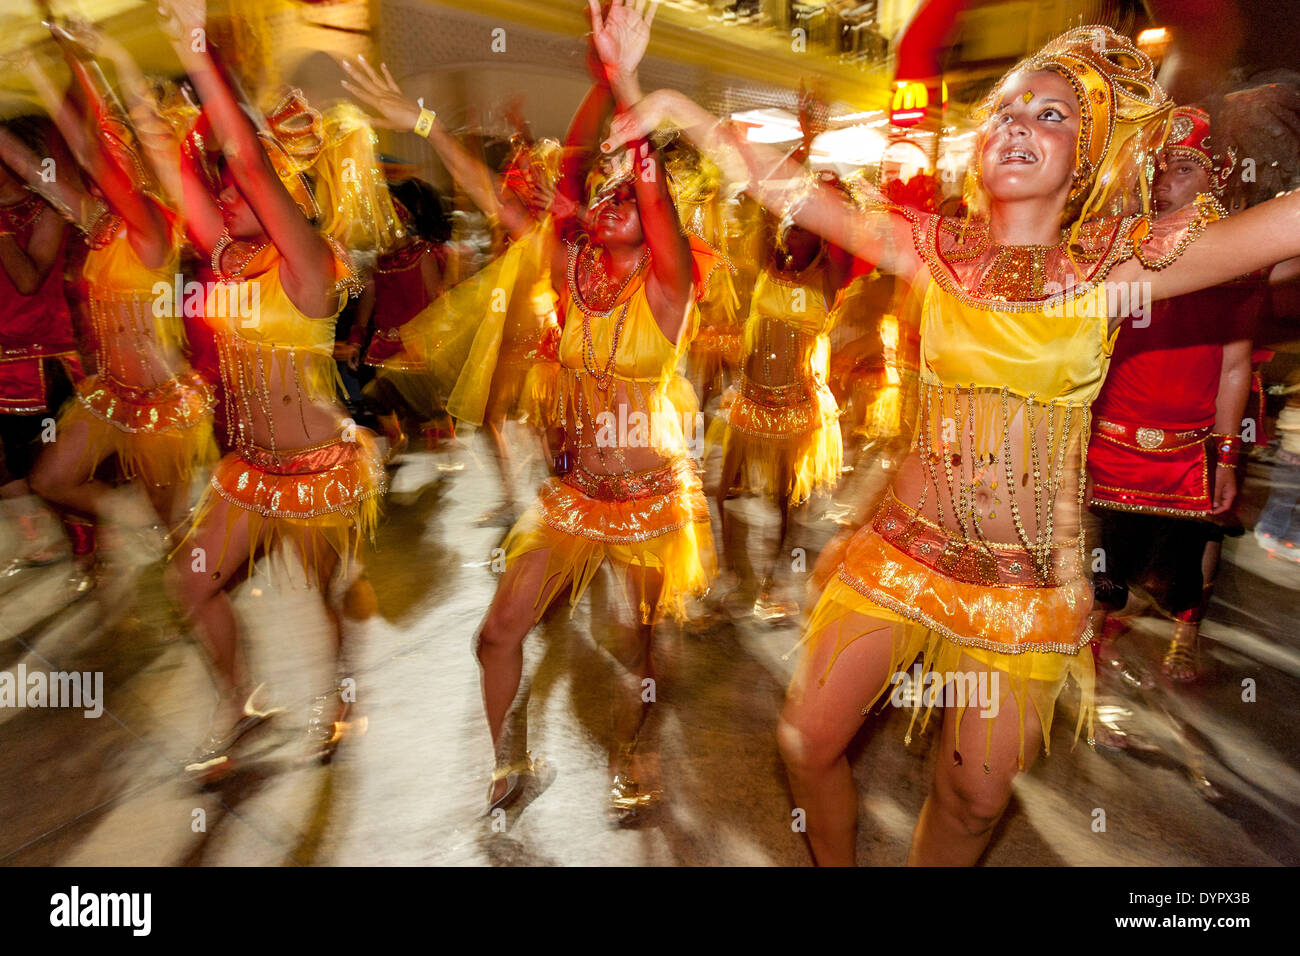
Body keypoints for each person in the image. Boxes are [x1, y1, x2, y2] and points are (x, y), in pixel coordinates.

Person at [603, 11, 1300, 864]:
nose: (1018, 123)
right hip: (898, 554)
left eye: (1052, 116)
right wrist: (661, 94)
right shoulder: (933, 250)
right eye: (1007, 109)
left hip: (1024, 587)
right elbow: (783, 187)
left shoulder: (1122, 265)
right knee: (802, 742)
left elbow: (1283, 226)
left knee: (972, 801)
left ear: (1087, 159)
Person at [341, 3, 723, 818]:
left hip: (651, 499)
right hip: (576, 495)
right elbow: (489, 193)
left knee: (637, 645)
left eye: (630, 198)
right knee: (496, 633)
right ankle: (509, 756)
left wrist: (625, 82)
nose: (613, 200)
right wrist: (427, 122)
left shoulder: (667, 285)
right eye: (606, 195)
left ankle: (636, 743)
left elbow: (648, 184)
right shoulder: (572, 268)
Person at [157, 0, 396, 773]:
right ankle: (241, 703)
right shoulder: (226, 261)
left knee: (328, 594)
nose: (225, 197)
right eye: (221, 190)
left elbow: (251, 164)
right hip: (247, 472)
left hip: (319, 471)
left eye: (238, 190)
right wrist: (130, 90)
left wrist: (200, 52)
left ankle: (343, 692)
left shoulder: (308, 266)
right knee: (189, 583)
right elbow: (175, 174)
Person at [1087, 107, 1261, 683]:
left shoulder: (1239, 258)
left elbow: (1235, 365)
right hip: (1115, 428)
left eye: (1184, 168)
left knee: (1193, 547)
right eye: (1160, 167)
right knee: (1107, 548)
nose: (1165, 180)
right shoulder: (1124, 244)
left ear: (1217, 177)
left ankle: (1187, 629)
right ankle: (1100, 621)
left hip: (1193, 438)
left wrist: (1227, 456)